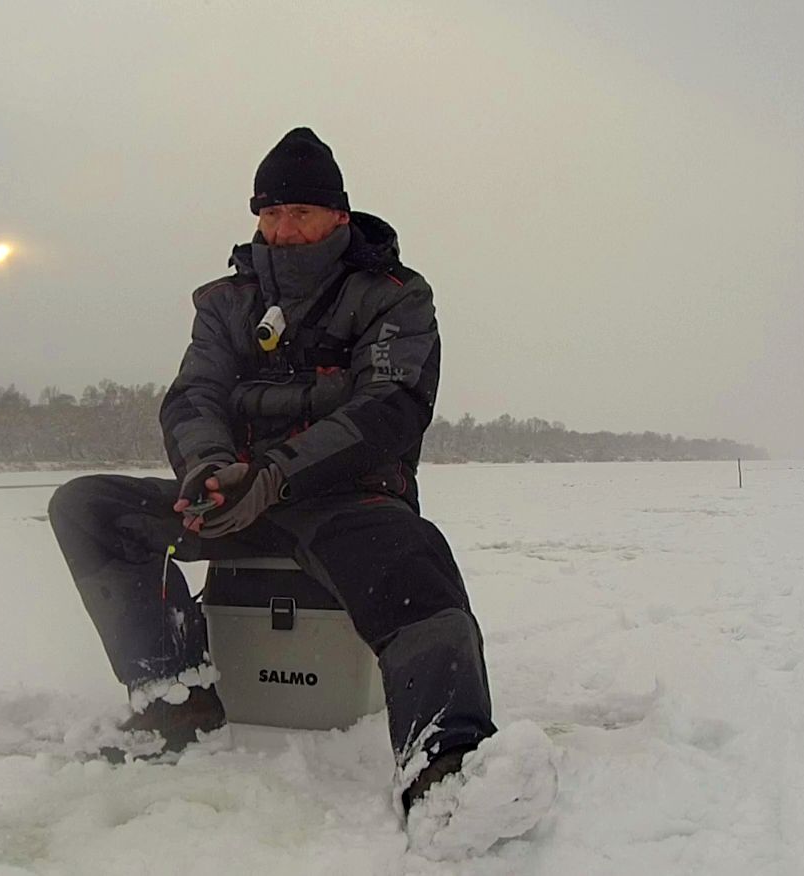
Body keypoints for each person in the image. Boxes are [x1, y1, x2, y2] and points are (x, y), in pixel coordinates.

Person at [48, 128, 545, 847]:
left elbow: (389, 407)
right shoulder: (226, 301)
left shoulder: (394, 298)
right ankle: (176, 699)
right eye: (270, 215)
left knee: (419, 563)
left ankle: (445, 768)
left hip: (346, 499)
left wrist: (278, 473)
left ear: (339, 217)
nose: (283, 230)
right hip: (235, 497)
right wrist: (210, 469)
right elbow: (194, 396)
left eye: (301, 214)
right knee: (89, 508)